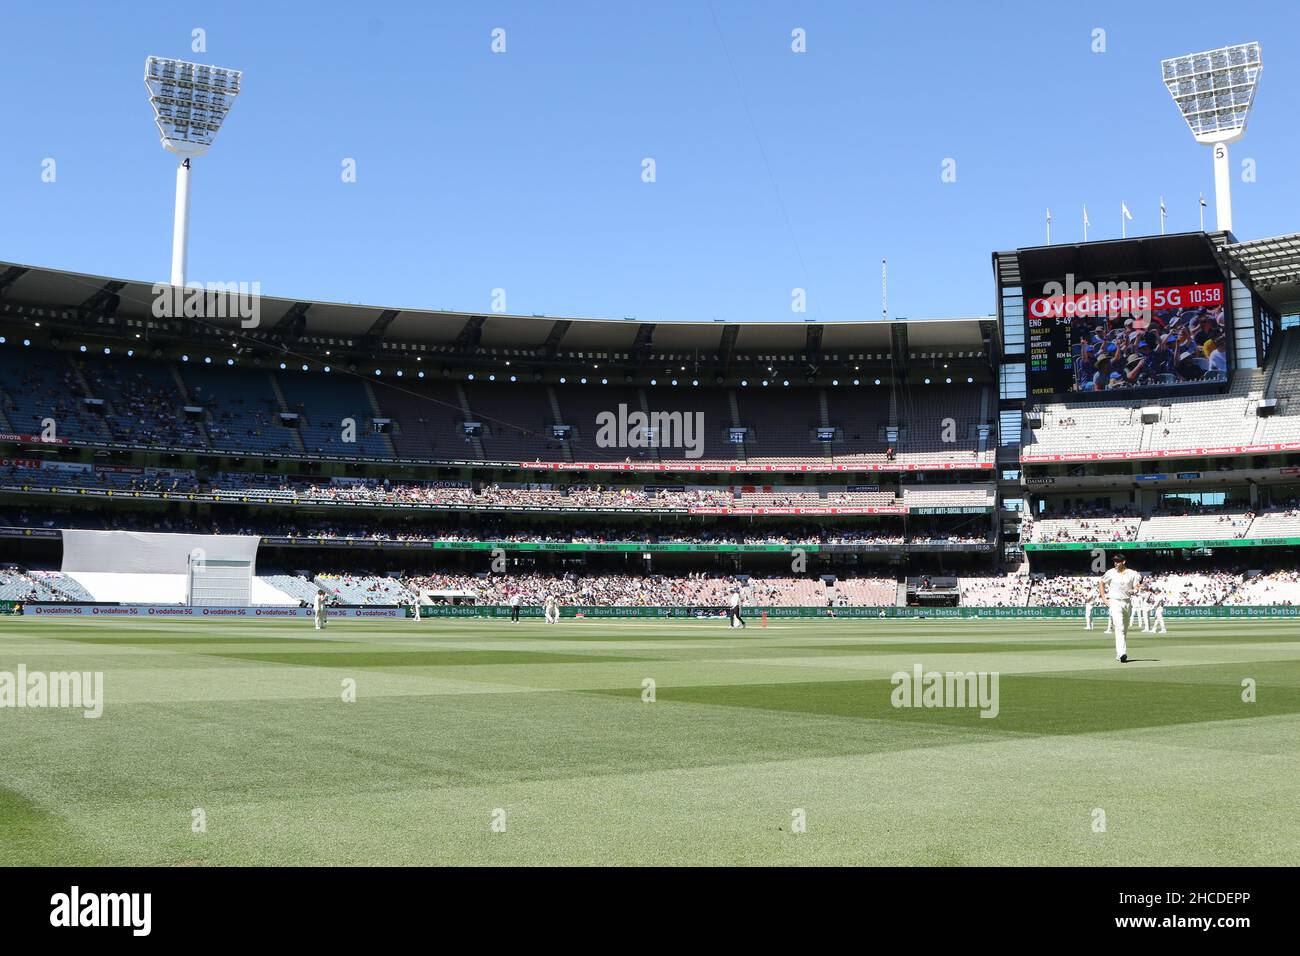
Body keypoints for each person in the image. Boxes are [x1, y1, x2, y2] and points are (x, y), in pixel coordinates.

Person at [1099, 554, 1141, 663]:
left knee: (1124, 629)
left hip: (1127, 602)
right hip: (1115, 601)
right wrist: (1104, 598)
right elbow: (1101, 583)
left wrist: (1134, 590)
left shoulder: (1132, 573)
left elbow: (1136, 586)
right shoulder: (1110, 572)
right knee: (1120, 627)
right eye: (1115, 561)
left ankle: (1119, 654)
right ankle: (1122, 653)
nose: (1116, 563)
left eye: (1118, 561)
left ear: (1123, 562)